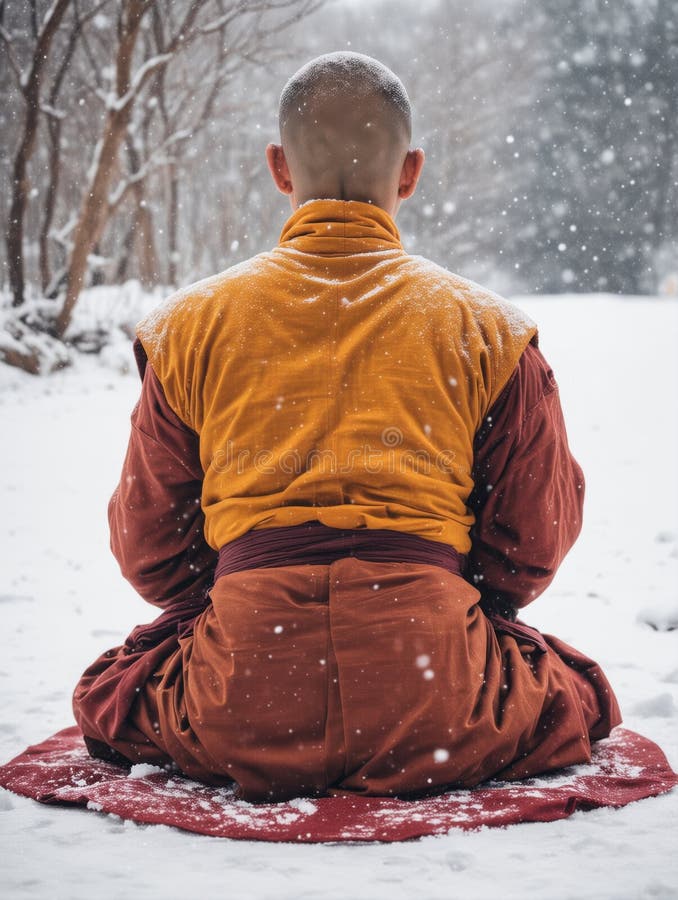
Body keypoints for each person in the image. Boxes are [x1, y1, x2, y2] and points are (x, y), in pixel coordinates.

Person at [73, 51, 621, 802]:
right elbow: (528, 546)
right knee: (578, 691)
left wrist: (250, 588)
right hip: (441, 698)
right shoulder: (489, 330)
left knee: (115, 687)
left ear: (278, 167)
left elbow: (153, 554)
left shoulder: (189, 327)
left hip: (240, 698)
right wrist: (441, 600)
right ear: (410, 172)